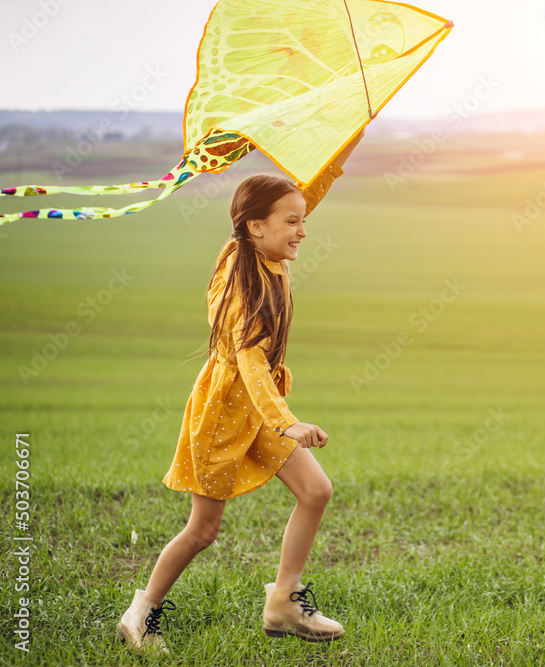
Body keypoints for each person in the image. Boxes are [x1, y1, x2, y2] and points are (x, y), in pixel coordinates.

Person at [116, 131, 363, 655]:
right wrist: (287, 422)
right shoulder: (240, 285)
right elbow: (250, 362)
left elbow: (305, 191)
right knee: (203, 530)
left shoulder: (263, 245)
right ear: (256, 227)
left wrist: (346, 137)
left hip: (260, 410)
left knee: (316, 491)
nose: (302, 231)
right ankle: (141, 614)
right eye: (292, 222)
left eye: (303, 220)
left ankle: (283, 602)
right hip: (225, 414)